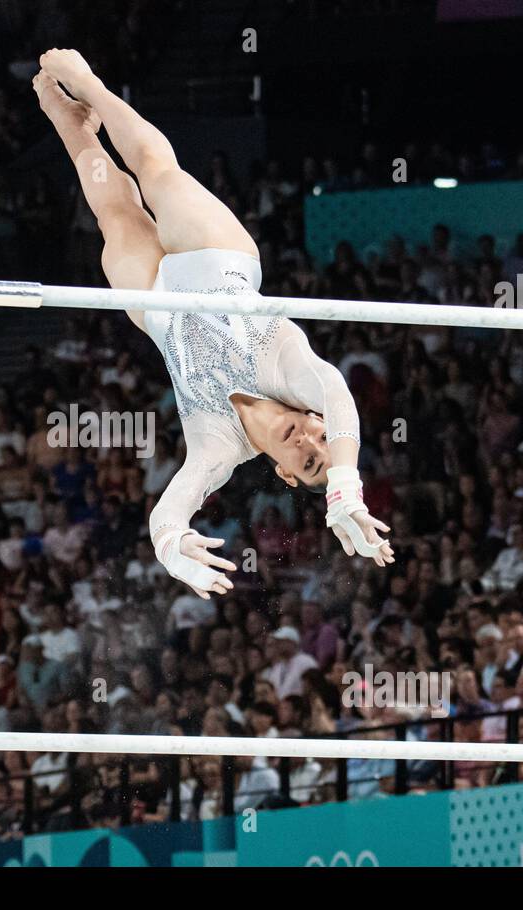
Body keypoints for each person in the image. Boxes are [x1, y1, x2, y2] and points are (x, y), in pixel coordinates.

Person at [33, 49, 393, 599]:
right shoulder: (288, 369)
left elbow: (171, 508)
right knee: (154, 169)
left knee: (116, 210)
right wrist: (344, 485)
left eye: (311, 461)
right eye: (323, 436)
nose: (312, 439)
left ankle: (70, 123)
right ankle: (93, 87)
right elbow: (338, 392)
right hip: (216, 257)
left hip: (157, 306)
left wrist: (171, 544)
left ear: (286, 474)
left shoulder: (219, 448)